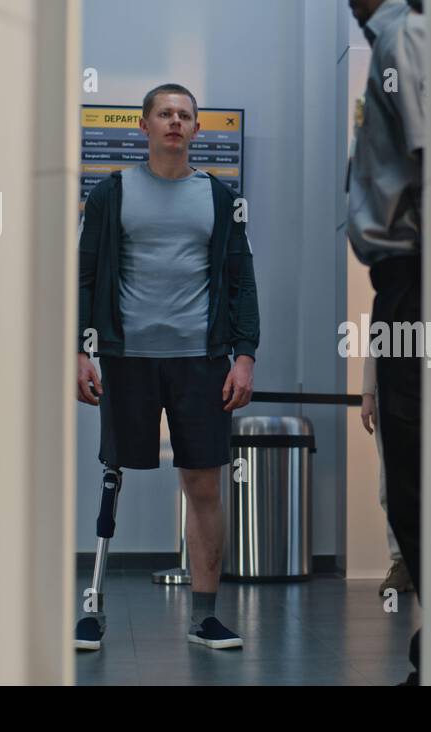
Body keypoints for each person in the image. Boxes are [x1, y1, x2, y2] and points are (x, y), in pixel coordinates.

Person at [74, 83, 259, 651]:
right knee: (114, 475)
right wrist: (82, 349)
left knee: (203, 483)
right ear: (145, 126)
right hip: (127, 356)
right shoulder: (111, 194)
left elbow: (240, 280)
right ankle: (94, 606)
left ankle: (205, 616)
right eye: (165, 113)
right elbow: (85, 276)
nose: (175, 122)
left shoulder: (222, 200)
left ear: (197, 129)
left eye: (184, 115)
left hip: (201, 361)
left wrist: (244, 355)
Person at [346, 0, 426, 684]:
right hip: (405, 284)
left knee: (416, 475)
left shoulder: (405, 34)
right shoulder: (391, 38)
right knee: (407, 474)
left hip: (420, 278)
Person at [362, 352, 413, 596]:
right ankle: (402, 560)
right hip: (393, 391)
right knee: (392, 481)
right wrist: (368, 393)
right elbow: (376, 339)